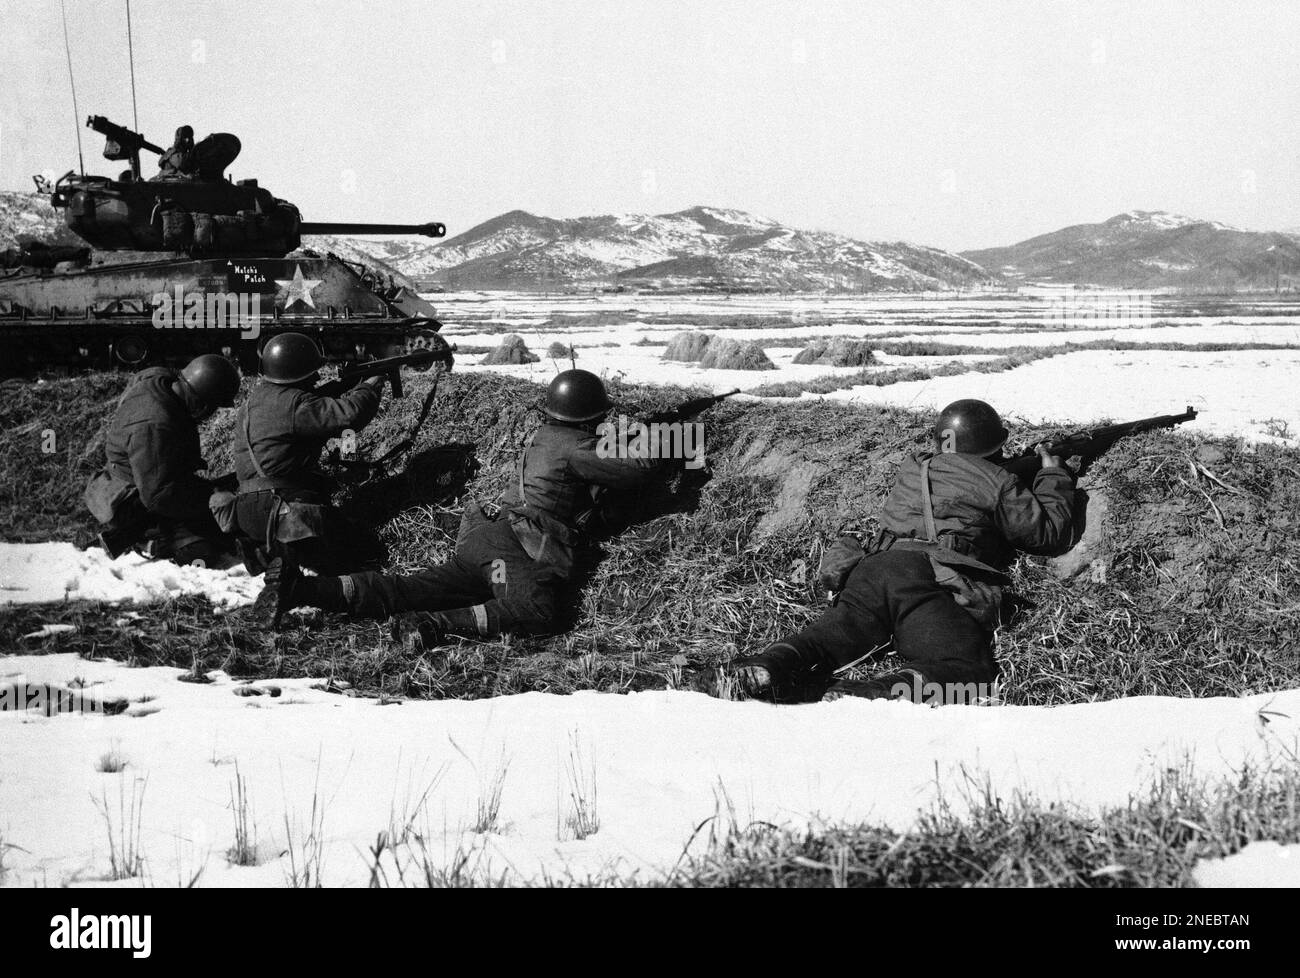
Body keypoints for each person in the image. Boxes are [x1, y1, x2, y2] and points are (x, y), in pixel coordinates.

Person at [252, 369, 674, 646]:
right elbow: (638, 470)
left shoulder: (547, 436)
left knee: (407, 589)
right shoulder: (575, 445)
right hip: (516, 550)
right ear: (590, 417)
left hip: (484, 540)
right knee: (537, 610)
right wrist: (662, 436)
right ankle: (436, 626)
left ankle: (300, 589)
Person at [695, 399, 1078, 703]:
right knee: (969, 671)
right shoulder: (997, 479)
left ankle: (767, 665)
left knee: (822, 642)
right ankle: (878, 694)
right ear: (996, 445)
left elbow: (957, 478)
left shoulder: (915, 466)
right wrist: (1052, 473)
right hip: (931, 581)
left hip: (874, 570)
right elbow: (1048, 535)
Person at [231, 331, 391, 574]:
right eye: (312, 371)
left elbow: (313, 402)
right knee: (364, 550)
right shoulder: (297, 406)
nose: (317, 376)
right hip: (283, 510)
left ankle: (267, 552)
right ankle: (288, 564)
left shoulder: (255, 400)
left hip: (248, 510)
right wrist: (370, 386)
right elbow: (348, 416)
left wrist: (346, 382)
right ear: (297, 371)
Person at [84, 354, 242, 566]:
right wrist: (210, 497)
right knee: (204, 549)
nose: (211, 414)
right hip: (132, 499)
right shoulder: (155, 424)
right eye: (213, 406)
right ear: (201, 402)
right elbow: (159, 496)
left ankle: (150, 532)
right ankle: (151, 541)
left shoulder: (161, 382)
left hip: (146, 482)